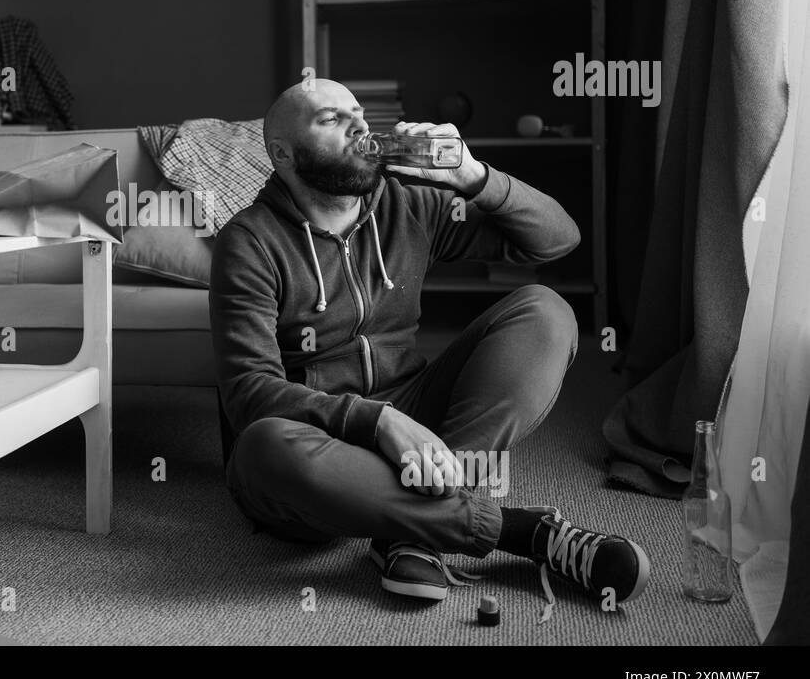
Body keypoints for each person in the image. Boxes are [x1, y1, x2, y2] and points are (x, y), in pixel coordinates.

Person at [209, 79, 650, 615]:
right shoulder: (249, 242)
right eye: (330, 120)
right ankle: (521, 532)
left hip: (419, 417)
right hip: (322, 440)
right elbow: (249, 393)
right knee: (262, 448)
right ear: (282, 154)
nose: (359, 127)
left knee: (544, 309)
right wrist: (376, 422)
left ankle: (413, 530)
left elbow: (557, 239)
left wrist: (472, 175)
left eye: (358, 113)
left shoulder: (407, 203)